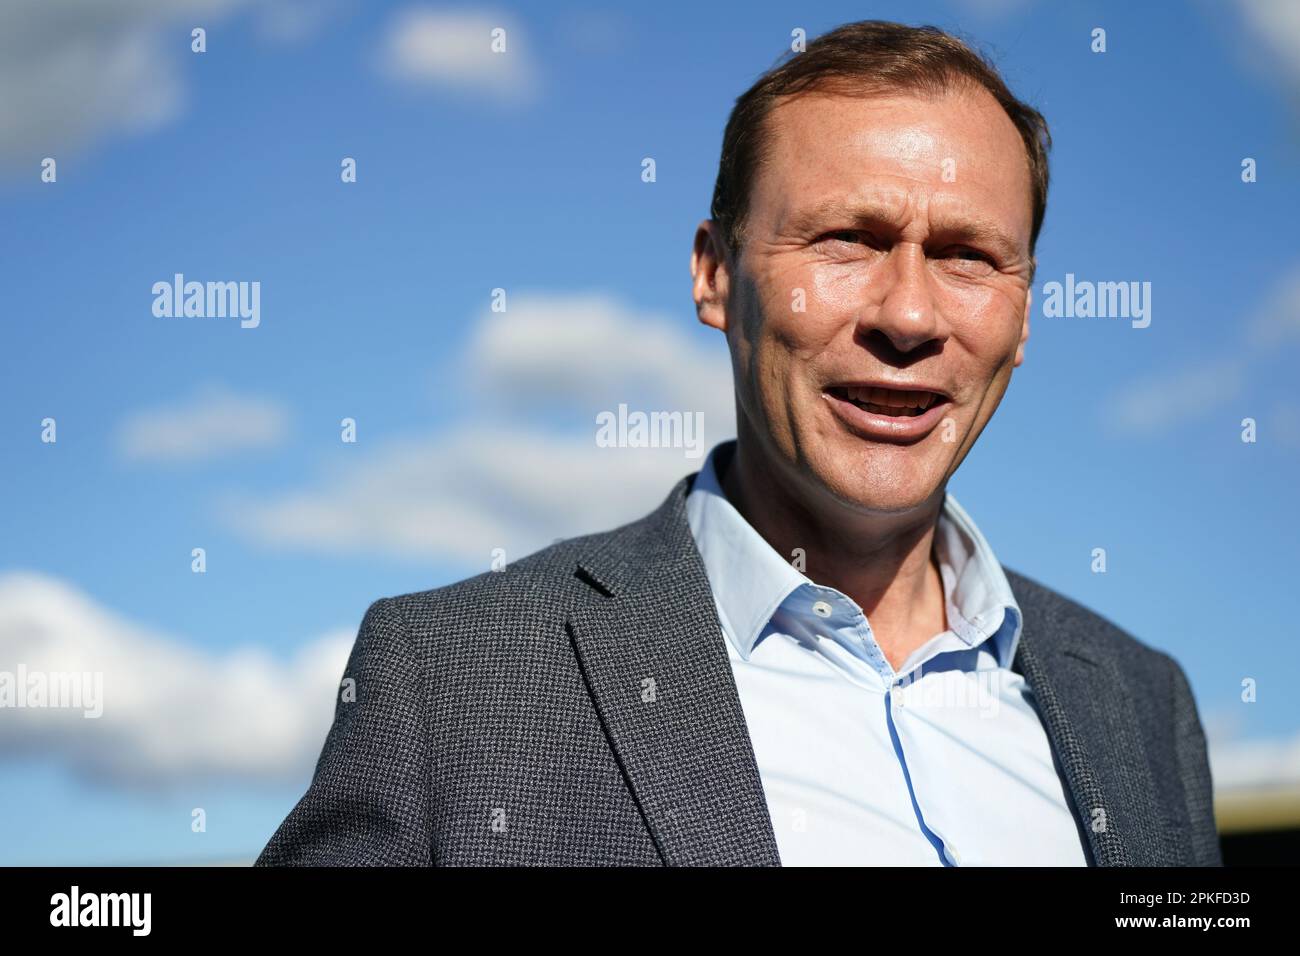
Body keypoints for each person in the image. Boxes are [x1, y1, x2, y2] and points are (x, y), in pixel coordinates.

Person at [257, 20, 1221, 867]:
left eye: (970, 256)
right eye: (847, 239)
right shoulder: (453, 684)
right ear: (716, 276)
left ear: (1024, 313)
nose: (912, 313)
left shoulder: (1142, 707)